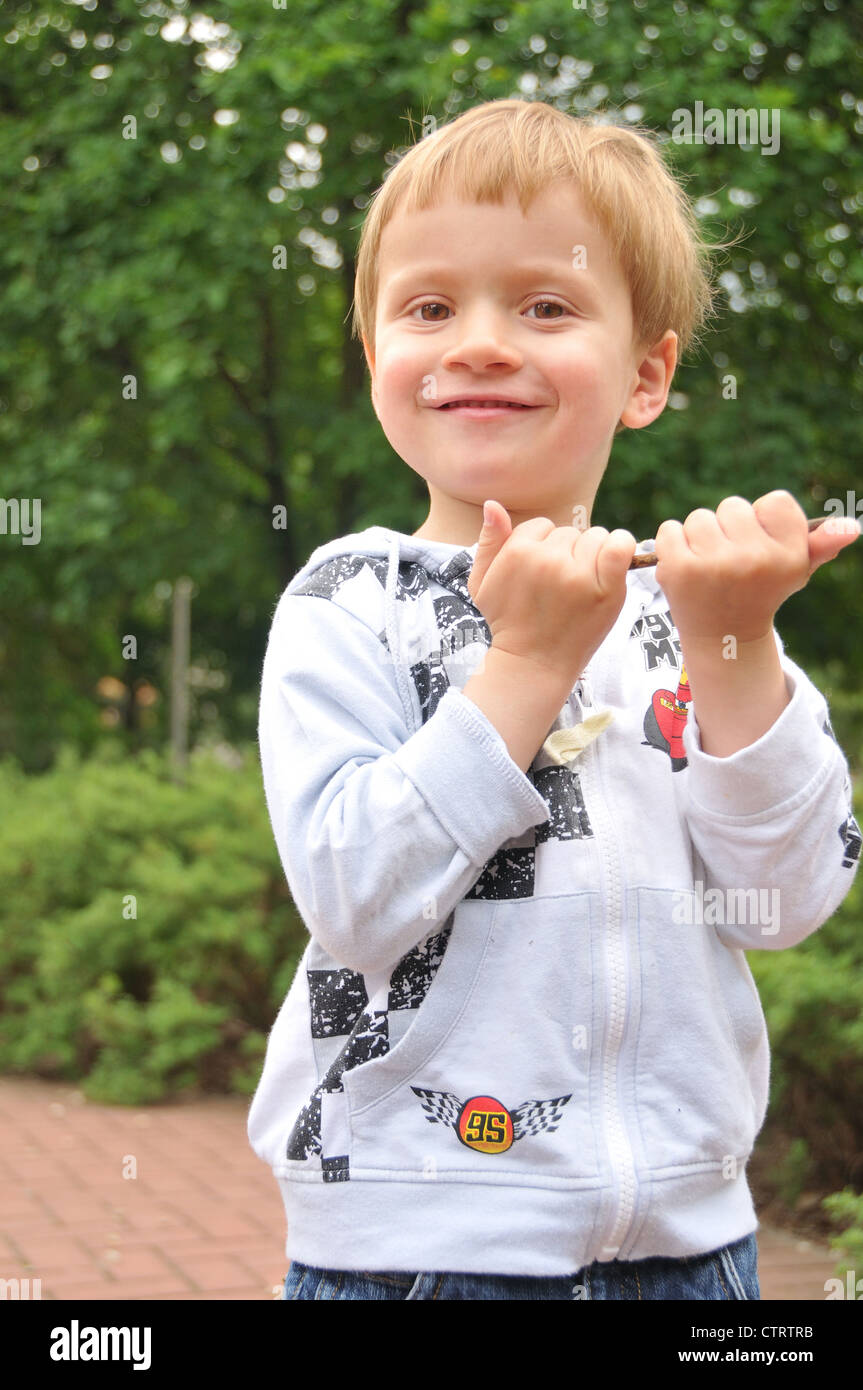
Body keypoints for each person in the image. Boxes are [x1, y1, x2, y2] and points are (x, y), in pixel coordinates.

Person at [247, 98, 861, 1300]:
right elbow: (354, 896)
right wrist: (522, 668)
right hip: (416, 1245)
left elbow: (785, 900)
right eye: (428, 307)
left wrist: (734, 644)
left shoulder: (682, 611)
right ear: (377, 358)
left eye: (544, 304)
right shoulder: (344, 603)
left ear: (645, 374)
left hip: (693, 1247)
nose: (477, 341)